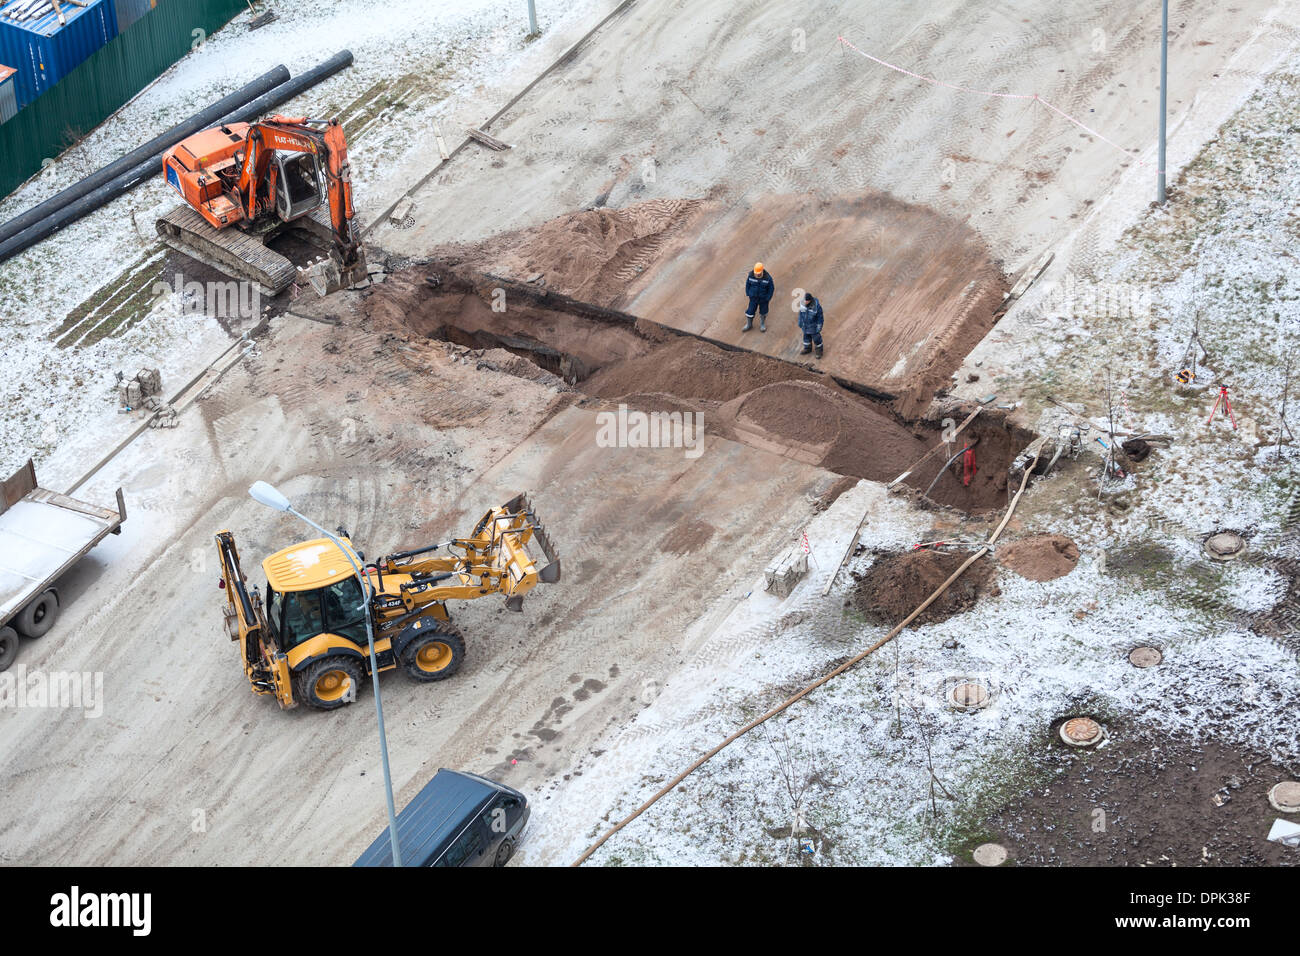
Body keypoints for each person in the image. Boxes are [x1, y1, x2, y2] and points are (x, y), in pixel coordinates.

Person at [743, 262, 774, 332]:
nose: (757, 274)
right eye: (756, 273)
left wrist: (768, 298)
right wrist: (748, 293)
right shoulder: (751, 276)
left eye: (758, 273)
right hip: (753, 298)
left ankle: (762, 324)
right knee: (750, 311)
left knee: (763, 311)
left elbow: (771, 289)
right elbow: (747, 285)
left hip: (763, 299)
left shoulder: (768, 278)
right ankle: (749, 324)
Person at [798, 292, 824, 358]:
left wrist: (819, 325)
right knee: (806, 337)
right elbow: (800, 314)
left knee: (817, 339)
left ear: (809, 300)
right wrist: (800, 321)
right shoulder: (803, 304)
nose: (805, 301)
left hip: (813, 326)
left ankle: (819, 351)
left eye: (806, 300)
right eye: (804, 300)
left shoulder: (816, 307)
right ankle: (807, 348)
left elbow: (820, 317)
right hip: (805, 326)